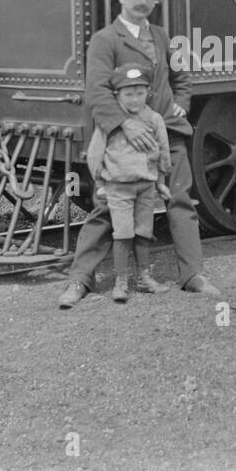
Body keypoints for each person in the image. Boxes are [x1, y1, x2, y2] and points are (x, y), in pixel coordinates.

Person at [58, 0, 221, 309]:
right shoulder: (105, 39)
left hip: (167, 135)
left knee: (180, 201)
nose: (143, 1)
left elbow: (182, 78)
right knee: (107, 207)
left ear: (156, 0)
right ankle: (80, 278)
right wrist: (124, 125)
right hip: (124, 143)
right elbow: (97, 91)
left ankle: (193, 275)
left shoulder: (162, 36)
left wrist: (180, 105)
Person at [85, 66, 173, 302]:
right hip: (118, 188)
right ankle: (121, 282)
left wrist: (161, 182)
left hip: (146, 187)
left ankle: (144, 278)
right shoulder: (111, 122)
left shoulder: (154, 120)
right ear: (117, 95)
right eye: (128, 94)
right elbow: (94, 154)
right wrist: (100, 182)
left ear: (148, 92)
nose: (135, 100)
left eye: (140, 93)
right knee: (122, 234)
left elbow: (163, 153)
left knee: (144, 232)